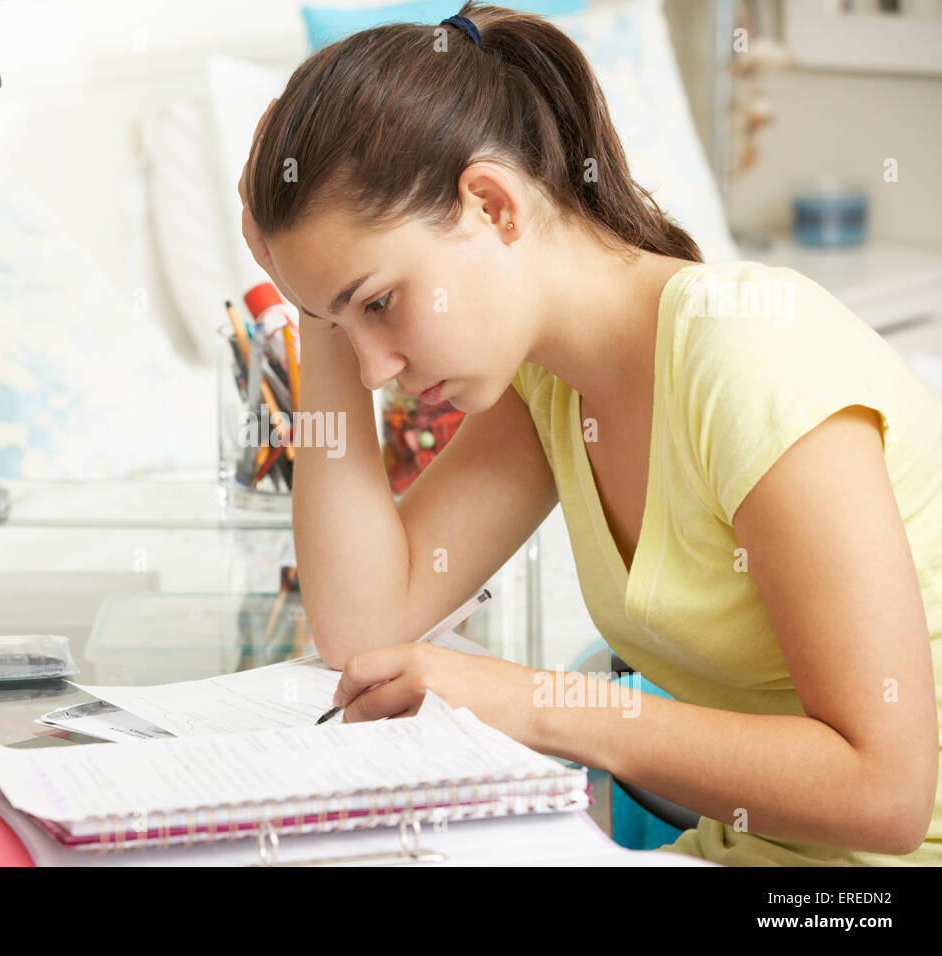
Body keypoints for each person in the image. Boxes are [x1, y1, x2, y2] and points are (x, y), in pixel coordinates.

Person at [237, 2, 942, 866]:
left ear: (492, 205)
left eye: (382, 301)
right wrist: (319, 310)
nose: (377, 368)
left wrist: (536, 703)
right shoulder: (549, 385)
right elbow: (362, 631)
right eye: (349, 323)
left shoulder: (753, 349)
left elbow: (887, 796)